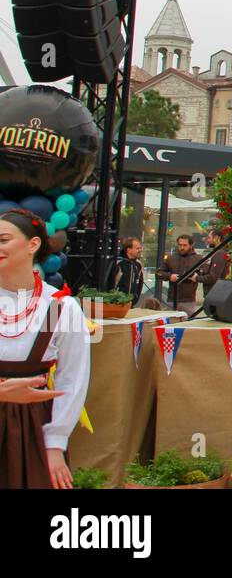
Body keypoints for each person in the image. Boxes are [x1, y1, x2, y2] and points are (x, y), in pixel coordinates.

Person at [0, 208, 90, 488]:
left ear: (33, 244)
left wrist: (54, 442)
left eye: (3, 239)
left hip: (31, 428)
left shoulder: (58, 307)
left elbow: (72, 379)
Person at [160, 234, 203, 315]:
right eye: (180, 245)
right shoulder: (171, 258)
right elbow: (159, 273)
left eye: (185, 245)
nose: (182, 247)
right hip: (172, 299)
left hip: (188, 300)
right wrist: (169, 276)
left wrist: (196, 277)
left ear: (191, 245)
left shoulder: (198, 258)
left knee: (188, 324)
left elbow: (205, 275)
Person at [113, 237, 146, 305]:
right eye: (137, 248)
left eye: (140, 248)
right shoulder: (118, 263)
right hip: (116, 303)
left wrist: (136, 298)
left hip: (131, 304)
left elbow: (140, 283)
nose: (140, 250)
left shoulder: (138, 265)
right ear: (129, 250)